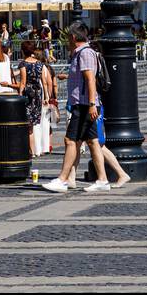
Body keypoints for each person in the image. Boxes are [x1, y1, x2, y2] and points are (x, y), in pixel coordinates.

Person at [41, 21, 110, 194]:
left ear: (73, 37)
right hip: (84, 103)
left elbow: (90, 79)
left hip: (84, 104)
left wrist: (92, 104)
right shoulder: (81, 53)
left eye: (67, 38)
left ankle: (63, 179)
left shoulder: (85, 53)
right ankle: (102, 179)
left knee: (70, 140)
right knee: (93, 142)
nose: (66, 41)